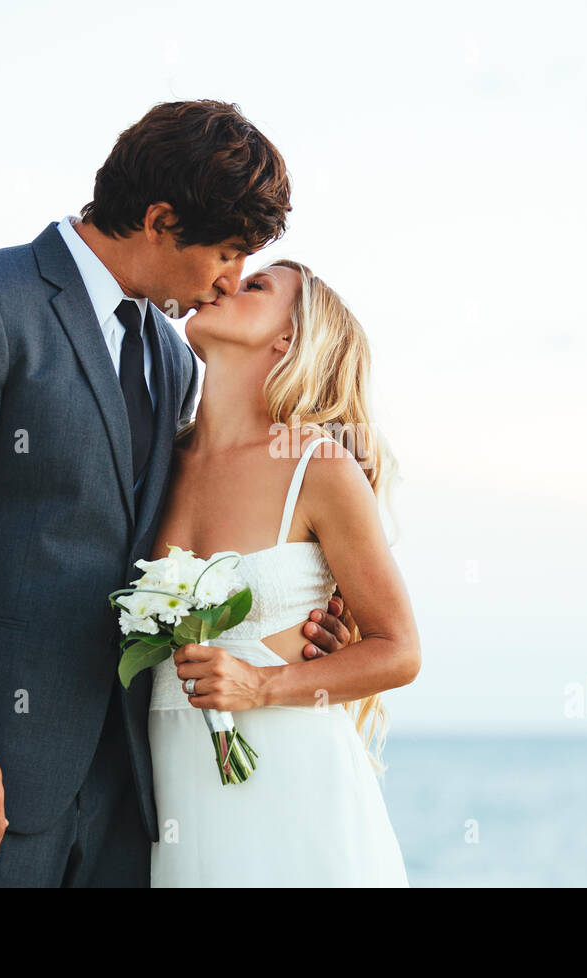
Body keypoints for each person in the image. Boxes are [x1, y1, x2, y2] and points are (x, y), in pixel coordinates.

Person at [0, 100, 351, 887]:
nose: (229, 280)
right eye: (227, 253)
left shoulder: (171, 356)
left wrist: (294, 621)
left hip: (134, 785)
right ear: (160, 218)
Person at [147, 259, 420, 886]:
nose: (224, 283)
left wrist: (259, 685)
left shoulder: (317, 466)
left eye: (255, 287)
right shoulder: (157, 460)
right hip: (173, 786)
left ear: (288, 339)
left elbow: (400, 650)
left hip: (294, 786)